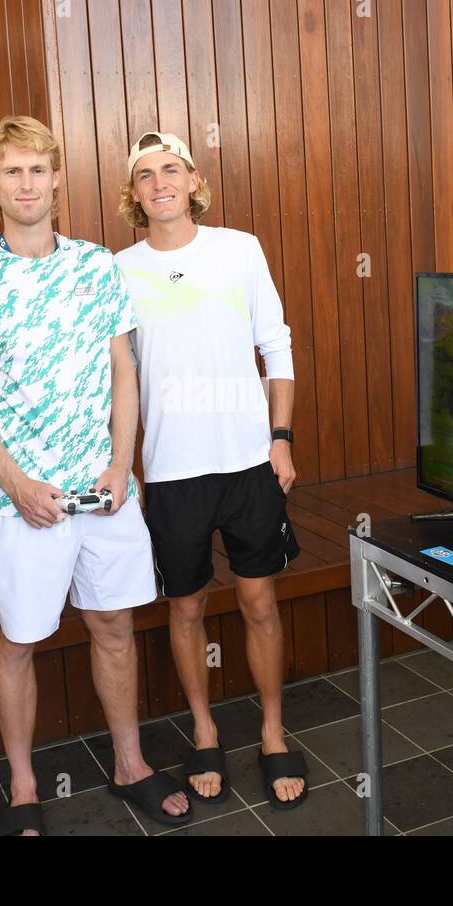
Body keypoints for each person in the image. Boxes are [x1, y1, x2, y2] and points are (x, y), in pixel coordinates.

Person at [0, 116, 190, 834]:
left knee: (114, 624)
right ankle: (23, 788)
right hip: (21, 499)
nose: (27, 184)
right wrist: (17, 484)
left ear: (57, 180)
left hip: (104, 491)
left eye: (38, 170)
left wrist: (120, 465)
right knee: (18, 640)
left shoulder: (96, 266)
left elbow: (123, 371)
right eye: (12, 171)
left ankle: (130, 764)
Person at [114, 131, 308, 809]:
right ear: (134, 194)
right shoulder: (119, 269)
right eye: (146, 175)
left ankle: (273, 732)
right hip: (172, 472)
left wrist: (280, 440)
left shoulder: (239, 249)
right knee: (186, 606)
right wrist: (127, 465)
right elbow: (120, 376)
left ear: (194, 180)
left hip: (249, 462)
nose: (160, 182)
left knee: (259, 603)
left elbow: (276, 345)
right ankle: (204, 731)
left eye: (171, 169)